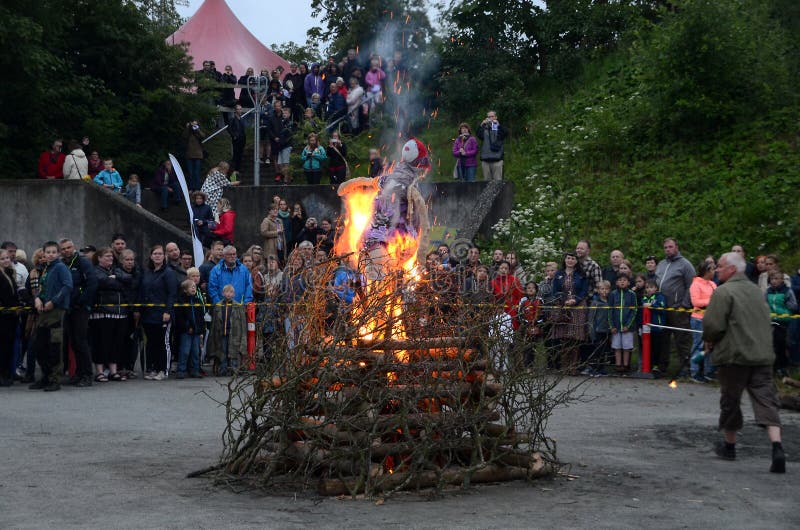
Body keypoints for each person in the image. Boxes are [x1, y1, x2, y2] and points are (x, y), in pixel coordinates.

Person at [703, 252, 785, 473]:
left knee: (731, 400)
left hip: (735, 357)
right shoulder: (757, 292)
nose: (717, 270)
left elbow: (713, 325)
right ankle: (777, 447)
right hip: (762, 356)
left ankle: (729, 446)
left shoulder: (724, 291)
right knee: (766, 400)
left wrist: (709, 341)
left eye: (720, 267)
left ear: (732, 269)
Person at [28, 242, 72, 391]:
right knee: (40, 345)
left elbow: (67, 286)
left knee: (54, 346)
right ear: (44, 254)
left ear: (58, 254)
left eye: (54, 252)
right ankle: (45, 376)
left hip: (56, 310)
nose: (51, 254)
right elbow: (42, 287)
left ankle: (54, 379)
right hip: (43, 311)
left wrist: (54, 301)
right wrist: (38, 298)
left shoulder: (61, 267)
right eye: (48, 252)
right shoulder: (47, 268)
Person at [655, 238, 695, 374]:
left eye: (670, 247)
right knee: (663, 339)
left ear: (676, 247)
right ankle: (662, 367)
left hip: (677, 308)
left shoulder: (685, 264)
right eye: (665, 247)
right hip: (661, 308)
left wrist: (684, 304)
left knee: (682, 338)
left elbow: (691, 285)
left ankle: (686, 367)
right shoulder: (661, 264)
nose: (668, 249)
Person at [60, 238, 97, 388]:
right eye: (63, 249)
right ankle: (79, 373)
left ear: (73, 247)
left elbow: (92, 284)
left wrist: (82, 301)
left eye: (69, 247)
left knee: (81, 341)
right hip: (68, 308)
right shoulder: (62, 264)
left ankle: (87, 374)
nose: (66, 250)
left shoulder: (83, 262)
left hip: (81, 308)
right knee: (73, 342)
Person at [137, 245, 176, 381]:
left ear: (164, 256)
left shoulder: (168, 273)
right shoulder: (147, 272)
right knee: (151, 342)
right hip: (148, 314)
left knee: (163, 343)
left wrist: (168, 311)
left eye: (160, 253)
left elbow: (172, 294)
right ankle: (152, 368)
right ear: (151, 256)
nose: (157, 256)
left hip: (162, 313)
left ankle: (163, 369)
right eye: (155, 253)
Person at [90, 247, 127, 382]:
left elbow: (129, 280)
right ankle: (99, 371)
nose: (110, 258)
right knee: (101, 342)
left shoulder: (116, 270)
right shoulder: (95, 271)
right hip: (102, 312)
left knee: (116, 343)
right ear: (99, 258)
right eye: (106, 256)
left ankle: (113, 371)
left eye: (111, 256)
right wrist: (118, 282)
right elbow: (104, 282)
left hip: (119, 312)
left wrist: (117, 279)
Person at [550, 252, 588, 372]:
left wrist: (575, 300)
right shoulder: (558, 274)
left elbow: (584, 291)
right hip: (562, 307)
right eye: (568, 258)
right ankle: (564, 366)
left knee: (575, 338)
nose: (570, 260)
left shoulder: (582, 274)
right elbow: (554, 291)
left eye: (573, 258)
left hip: (577, 308)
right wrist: (563, 300)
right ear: (565, 260)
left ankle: (574, 366)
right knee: (564, 337)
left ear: (576, 261)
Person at [208, 284, 247, 375]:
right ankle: (223, 370)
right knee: (222, 352)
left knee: (234, 352)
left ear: (234, 294)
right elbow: (214, 324)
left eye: (231, 292)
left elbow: (243, 324)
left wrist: (243, 338)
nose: (228, 294)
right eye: (226, 292)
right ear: (223, 293)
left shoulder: (238, 306)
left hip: (234, 334)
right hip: (221, 334)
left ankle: (234, 370)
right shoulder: (218, 306)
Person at [689, 261, 718, 382]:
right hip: (698, 319)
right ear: (706, 271)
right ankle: (695, 372)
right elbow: (696, 303)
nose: (715, 271)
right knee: (698, 345)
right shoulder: (695, 284)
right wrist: (711, 300)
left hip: (711, 318)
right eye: (712, 269)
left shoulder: (712, 284)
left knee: (710, 345)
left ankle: (708, 371)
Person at [115, 249, 141, 379]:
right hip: (122, 310)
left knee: (133, 340)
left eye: (132, 260)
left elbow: (139, 291)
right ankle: (120, 367)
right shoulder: (117, 272)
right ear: (121, 261)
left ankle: (130, 367)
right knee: (121, 339)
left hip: (134, 311)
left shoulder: (138, 273)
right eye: (127, 260)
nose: (130, 262)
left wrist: (136, 309)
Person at [766, 270, 797, 376]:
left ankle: (783, 367)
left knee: (781, 343)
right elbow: (764, 304)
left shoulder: (787, 291)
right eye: (772, 279)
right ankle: (774, 367)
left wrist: (784, 305)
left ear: (782, 280)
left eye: (776, 279)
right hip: (771, 320)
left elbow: (794, 306)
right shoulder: (768, 291)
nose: (773, 281)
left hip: (783, 321)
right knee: (772, 343)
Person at [174, 279, 205, 379]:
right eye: (191, 287)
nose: (193, 288)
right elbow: (180, 318)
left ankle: (194, 370)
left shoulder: (198, 300)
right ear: (185, 290)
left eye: (194, 287)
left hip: (196, 331)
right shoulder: (181, 301)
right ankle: (181, 370)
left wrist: (201, 329)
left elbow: (201, 316)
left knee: (195, 351)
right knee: (185, 351)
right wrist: (187, 327)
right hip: (186, 331)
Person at [608, 273, 637, 373]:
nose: (622, 282)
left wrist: (627, 325)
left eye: (624, 280)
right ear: (616, 282)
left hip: (627, 327)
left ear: (628, 282)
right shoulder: (613, 294)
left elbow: (634, 311)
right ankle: (618, 365)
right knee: (617, 347)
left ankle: (626, 365)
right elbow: (609, 310)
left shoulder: (632, 294)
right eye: (620, 280)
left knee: (626, 347)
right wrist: (611, 325)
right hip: (616, 326)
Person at [0, 249, 19, 386]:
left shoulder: (10, 273)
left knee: (9, 346)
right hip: (3, 317)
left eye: (7, 258)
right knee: (3, 346)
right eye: (2, 258)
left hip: (11, 316)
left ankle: (7, 373)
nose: (6, 260)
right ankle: (2, 374)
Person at [585, 280, 612, 376]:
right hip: (597, 330)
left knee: (604, 350)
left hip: (607, 330)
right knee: (596, 350)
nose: (604, 291)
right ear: (598, 290)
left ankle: (601, 368)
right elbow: (591, 318)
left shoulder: (610, 302)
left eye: (606, 289)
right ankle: (593, 368)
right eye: (602, 289)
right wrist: (591, 331)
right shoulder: (595, 302)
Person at [642, 279, 667, 375]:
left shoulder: (660, 297)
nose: (649, 289)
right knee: (649, 347)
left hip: (658, 327)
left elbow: (662, 309)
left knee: (657, 348)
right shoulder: (644, 298)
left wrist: (652, 305)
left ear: (656, 288)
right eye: (647, 287)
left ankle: (656, 366)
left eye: (651, 287)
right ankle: (648, 365)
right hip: (647, 328)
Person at [516, 281, 542, 368]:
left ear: (536, 290)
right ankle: (524, 366)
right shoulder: (523, 300)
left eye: (533, 288)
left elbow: (543, 313)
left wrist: (537, 322)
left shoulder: (540, 300)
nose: (531, 290)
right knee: (525, 347)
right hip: (525, 326)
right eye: (529, 288)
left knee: (533, 347)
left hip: (536, 326)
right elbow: (519, 313)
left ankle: (531, 366)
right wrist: (526, 323)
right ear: (526, 290)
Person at [477, 111, 507, 181]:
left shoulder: (499, 127)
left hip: (497, 159)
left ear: (496, 117)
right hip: (486, 159)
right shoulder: (484, 128)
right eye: (489, 117)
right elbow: (478, 135)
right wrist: (482, 125)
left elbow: (505, 133)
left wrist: (498, 125)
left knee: (497, 182)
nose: (491, 118)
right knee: (487, 182)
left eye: (492, 116)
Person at [183, 119, 206, 190]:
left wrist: (197, 128)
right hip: (189, 155)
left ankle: (197, 188)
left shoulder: (198, 132)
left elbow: (203, 136)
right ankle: (191, 188)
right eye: (193, 124)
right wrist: (188, 127)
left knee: (196, 173)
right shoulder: (188, 132)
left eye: (195, 124)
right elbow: (184, 136)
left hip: (198, 155)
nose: (193, 125)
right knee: (190, 173)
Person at [275, 107, 294, 183]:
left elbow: (290, 136)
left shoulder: (290, 123)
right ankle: (290, 177)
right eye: (283, 113)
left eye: (286, 113)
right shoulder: (281, 122)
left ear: (289, 114)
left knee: (286, 163)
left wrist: (283, 142)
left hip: (286, 145)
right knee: (280, 164)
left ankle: (286, 180)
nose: (284, 114)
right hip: (280, 146)